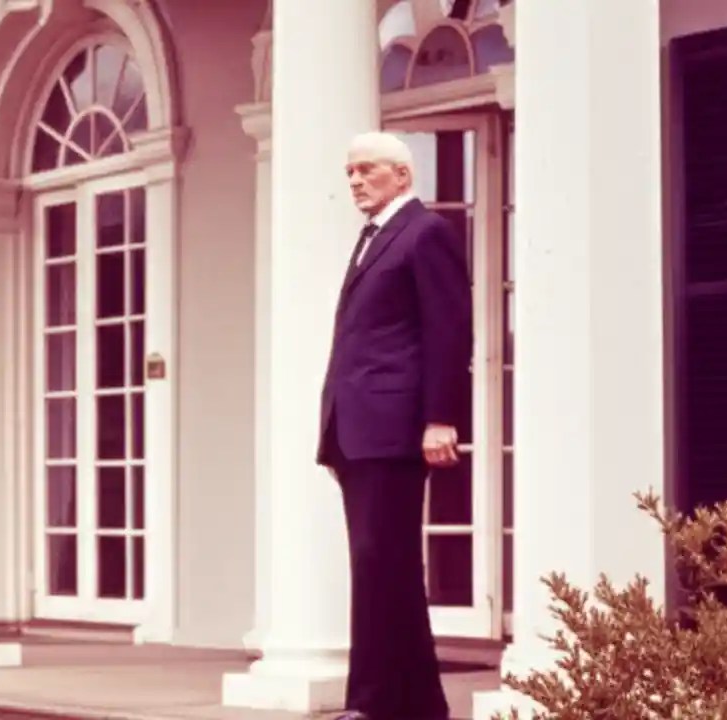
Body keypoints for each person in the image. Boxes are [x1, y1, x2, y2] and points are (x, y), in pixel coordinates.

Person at [317, 131, 471, 720]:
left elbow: (448, 329)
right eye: (350, 171)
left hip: (395, 428)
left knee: (382, 561)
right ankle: (418, 705)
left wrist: (440, 418)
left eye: (366, 170)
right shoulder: (372, 237)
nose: (354, 180)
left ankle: (373, 703)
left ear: (401, 177)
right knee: (385, 564)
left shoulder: (425, 232)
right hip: (358, 430)